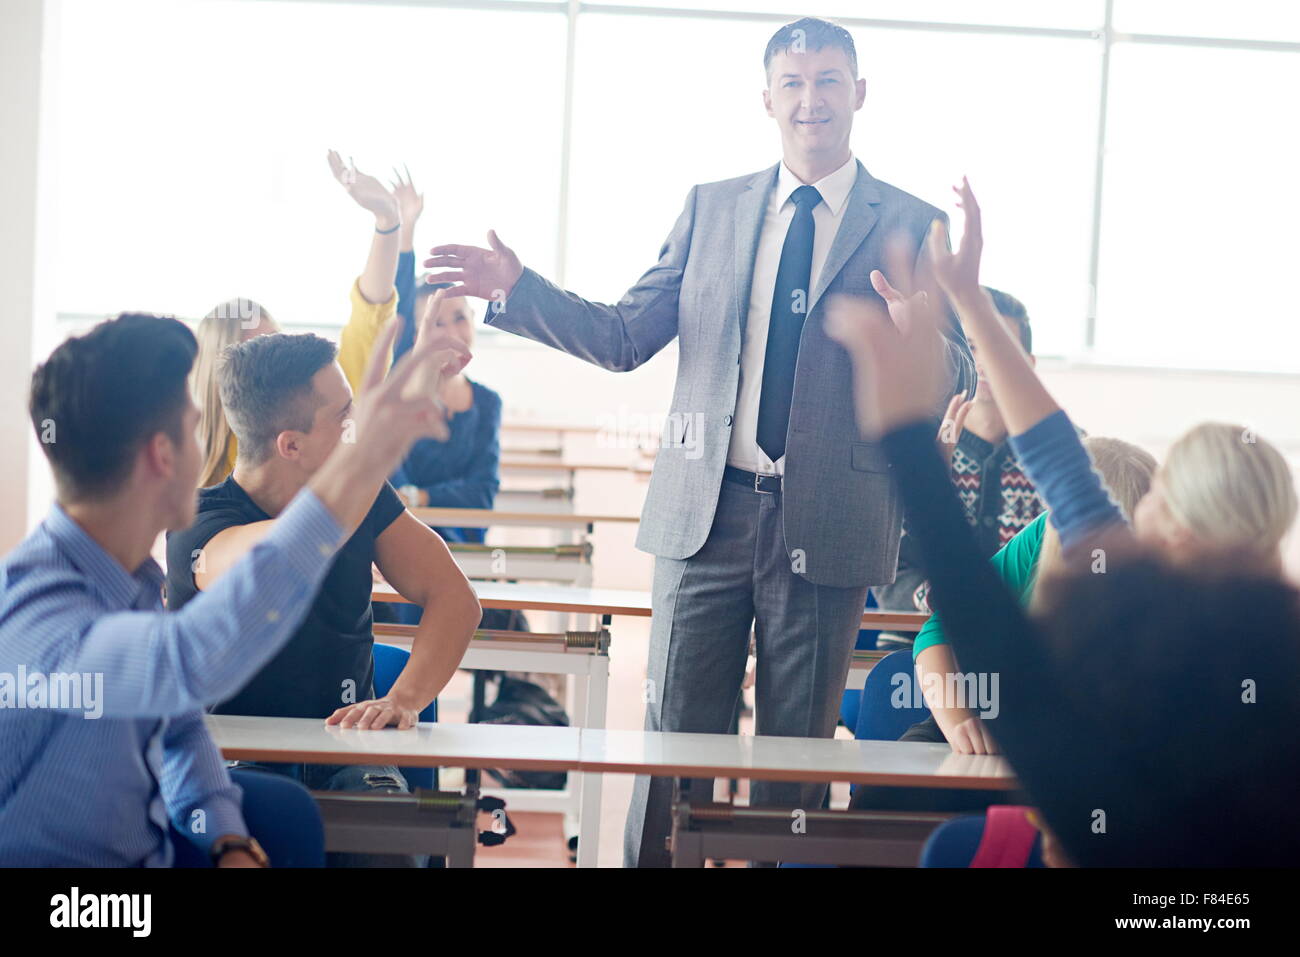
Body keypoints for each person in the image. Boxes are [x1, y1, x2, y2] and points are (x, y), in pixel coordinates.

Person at [425, 15, 974, 868]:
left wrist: (926, 344)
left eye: (829, 80)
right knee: (671, 748)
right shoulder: (711, 208)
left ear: (859, 93)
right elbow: (621, 335)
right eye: (792, 83)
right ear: (766, 99)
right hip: (704, 518)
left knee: (795, 762)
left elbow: (961, 375)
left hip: (830, 526)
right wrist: (517, 290)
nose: (810, 99)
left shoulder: (913, 221)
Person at [826, 177, 1300, 866]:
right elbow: (1063, 468)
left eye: (1159, 491)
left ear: (1182, 532)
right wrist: (971, 303)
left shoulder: (1128, 643)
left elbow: (981, 590)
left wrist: (904, 426)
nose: (1135, 509)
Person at [0, 311, 466, 866]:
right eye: (193, 427)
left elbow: (176, 726)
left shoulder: (120, 581)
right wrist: (365, 458)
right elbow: (194, 654)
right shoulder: (46, 614)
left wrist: (229, 840)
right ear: (162, 455)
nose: (210, 447)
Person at [165, 314, 481, 867]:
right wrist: (376, 452)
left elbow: (456, 600)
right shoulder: (199, 523)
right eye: (344, 416)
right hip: (232, 765)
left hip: (349, 756)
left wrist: (402, 700)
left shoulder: (363, 497)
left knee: (391, 845)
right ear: (291, 444)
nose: (357, 426)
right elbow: (265, 562)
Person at [871, 288, 1043, 651]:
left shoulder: (1061, 458)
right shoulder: (915, 447)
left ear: (1028, 362)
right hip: (913, 637)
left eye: (1000, 347)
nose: (982, 363)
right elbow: (884, 555)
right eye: (973, 347)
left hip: (1023, 642)